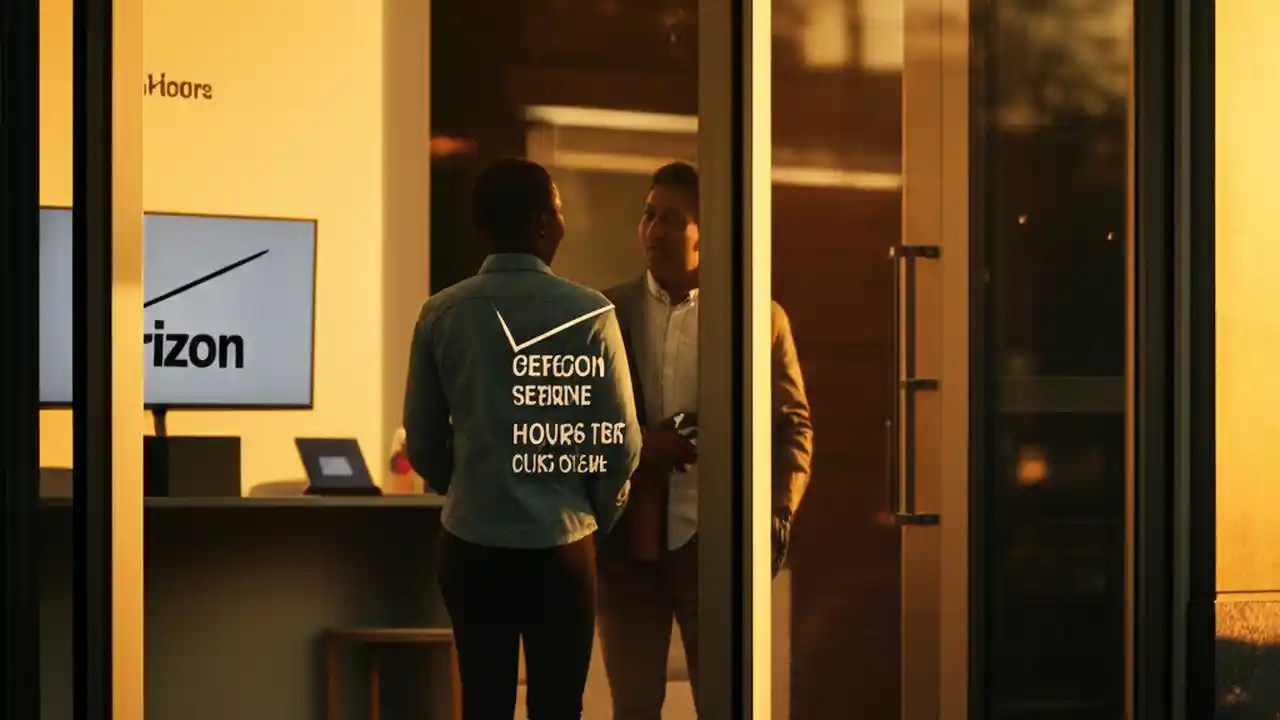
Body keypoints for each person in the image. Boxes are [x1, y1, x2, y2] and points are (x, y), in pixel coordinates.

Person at [402, 157, 643, 719]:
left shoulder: (441, 313)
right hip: (562, 548)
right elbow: (622, 444)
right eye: (558, 211)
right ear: (539, 224)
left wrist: (466, 487)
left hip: (472, 546)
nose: (563, 223)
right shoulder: (589, 314)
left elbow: (423, 440)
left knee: (484, 704)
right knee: (558, 707)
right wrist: (595, 514)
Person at [597, 161, 814, 718]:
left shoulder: (757, 318)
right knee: (634, 707)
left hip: (716, 547)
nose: (656, 231)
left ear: (708, 232)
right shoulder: (603, 314)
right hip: (627, 549)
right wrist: (642, 446)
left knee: (725, 702)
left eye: (674, 218)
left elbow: (794, 427)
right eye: (649, 216)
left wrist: (775, 516)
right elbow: (580, 427)